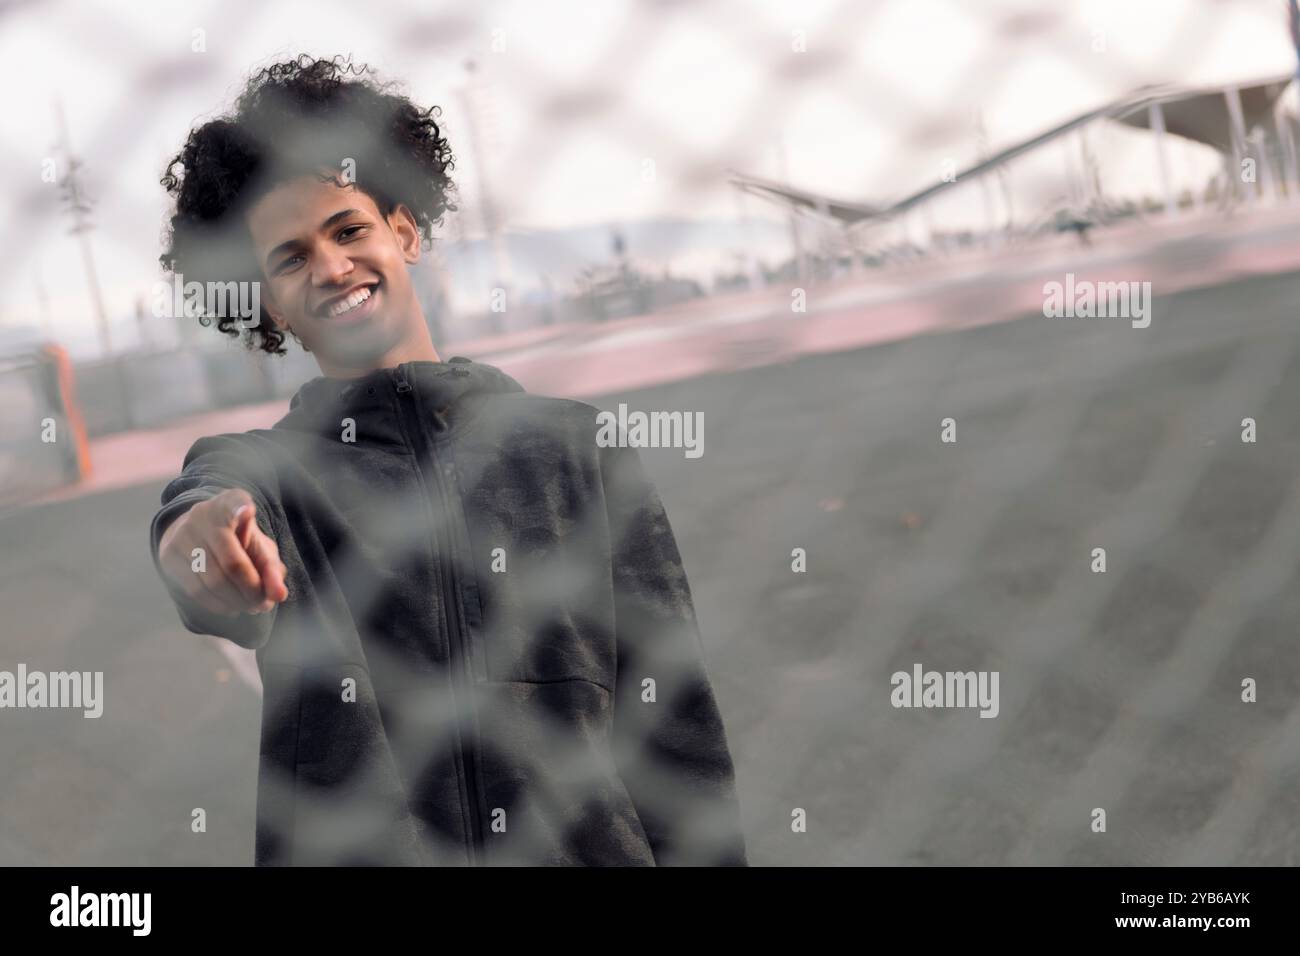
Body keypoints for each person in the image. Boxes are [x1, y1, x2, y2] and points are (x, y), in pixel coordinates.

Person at [149, 55, 748, 866]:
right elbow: (199, 515)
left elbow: (676, 727)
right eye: (288, 259)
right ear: (266, 302)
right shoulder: (267, 475)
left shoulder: (574, 446)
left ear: (405, 230)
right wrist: (203, 540)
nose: (329, 268)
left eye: (348, 229)